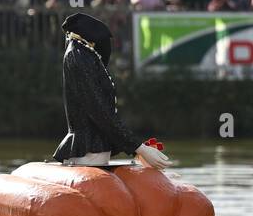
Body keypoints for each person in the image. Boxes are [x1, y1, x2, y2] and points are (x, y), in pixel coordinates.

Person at [52, 12, 170, 170]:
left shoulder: (83, 55)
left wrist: (136, 148)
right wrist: (139, 147)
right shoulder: (79, 56)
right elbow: (99, 111)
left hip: (96, 152)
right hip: (88, 153)